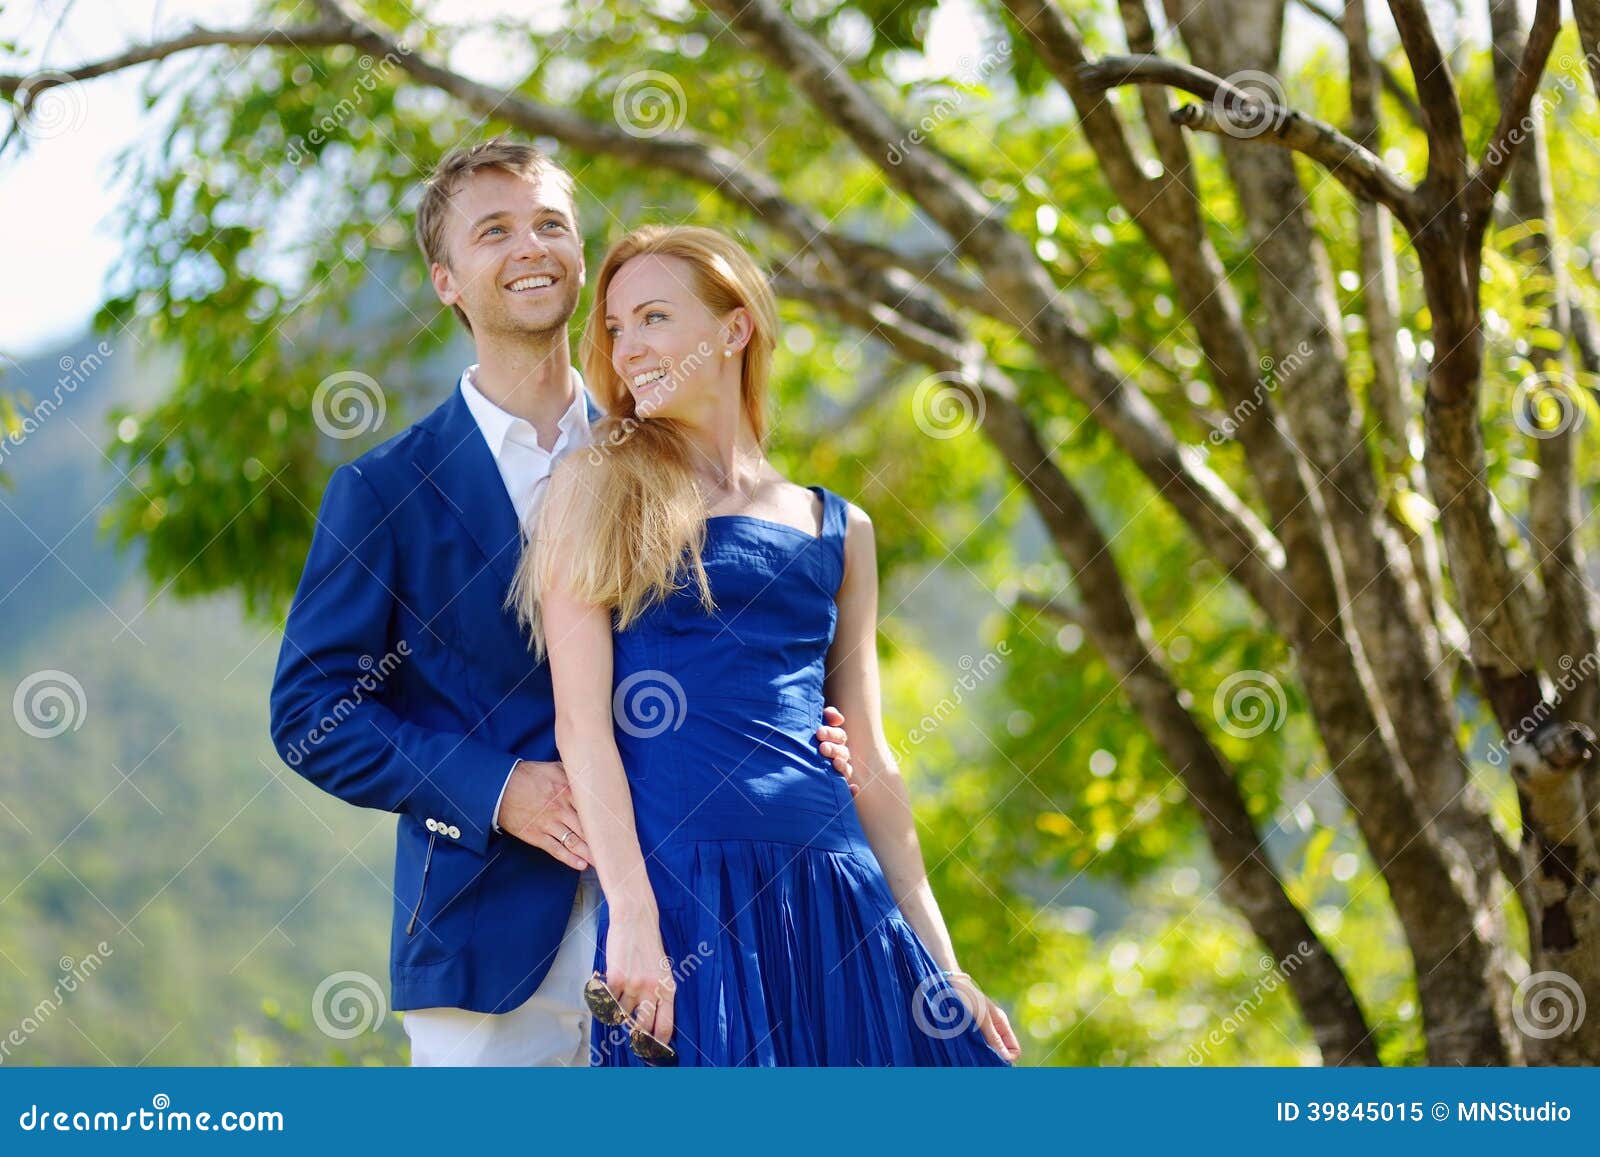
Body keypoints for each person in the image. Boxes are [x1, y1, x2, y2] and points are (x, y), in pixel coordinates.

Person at [269, 140, 855, 1066]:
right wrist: (496, 789)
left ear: (582, 255)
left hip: (690, 915)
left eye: (551, 223)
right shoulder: (384, 492)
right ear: (446, 281)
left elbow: (765, 624)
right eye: (494, 230)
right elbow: (310, 714)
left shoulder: (668, 451)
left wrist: (816, 727)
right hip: (486, 945)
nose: (530, 245)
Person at [516, 224, 1021, 1066]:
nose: (626, 348)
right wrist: (633, 918)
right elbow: (583, 729)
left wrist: (945, 961)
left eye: (652, 318)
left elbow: (873, 758)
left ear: (734, 328)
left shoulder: (841, 527)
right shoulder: (594, 487)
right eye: (614, 327)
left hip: (836, 886)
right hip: (684, 893)